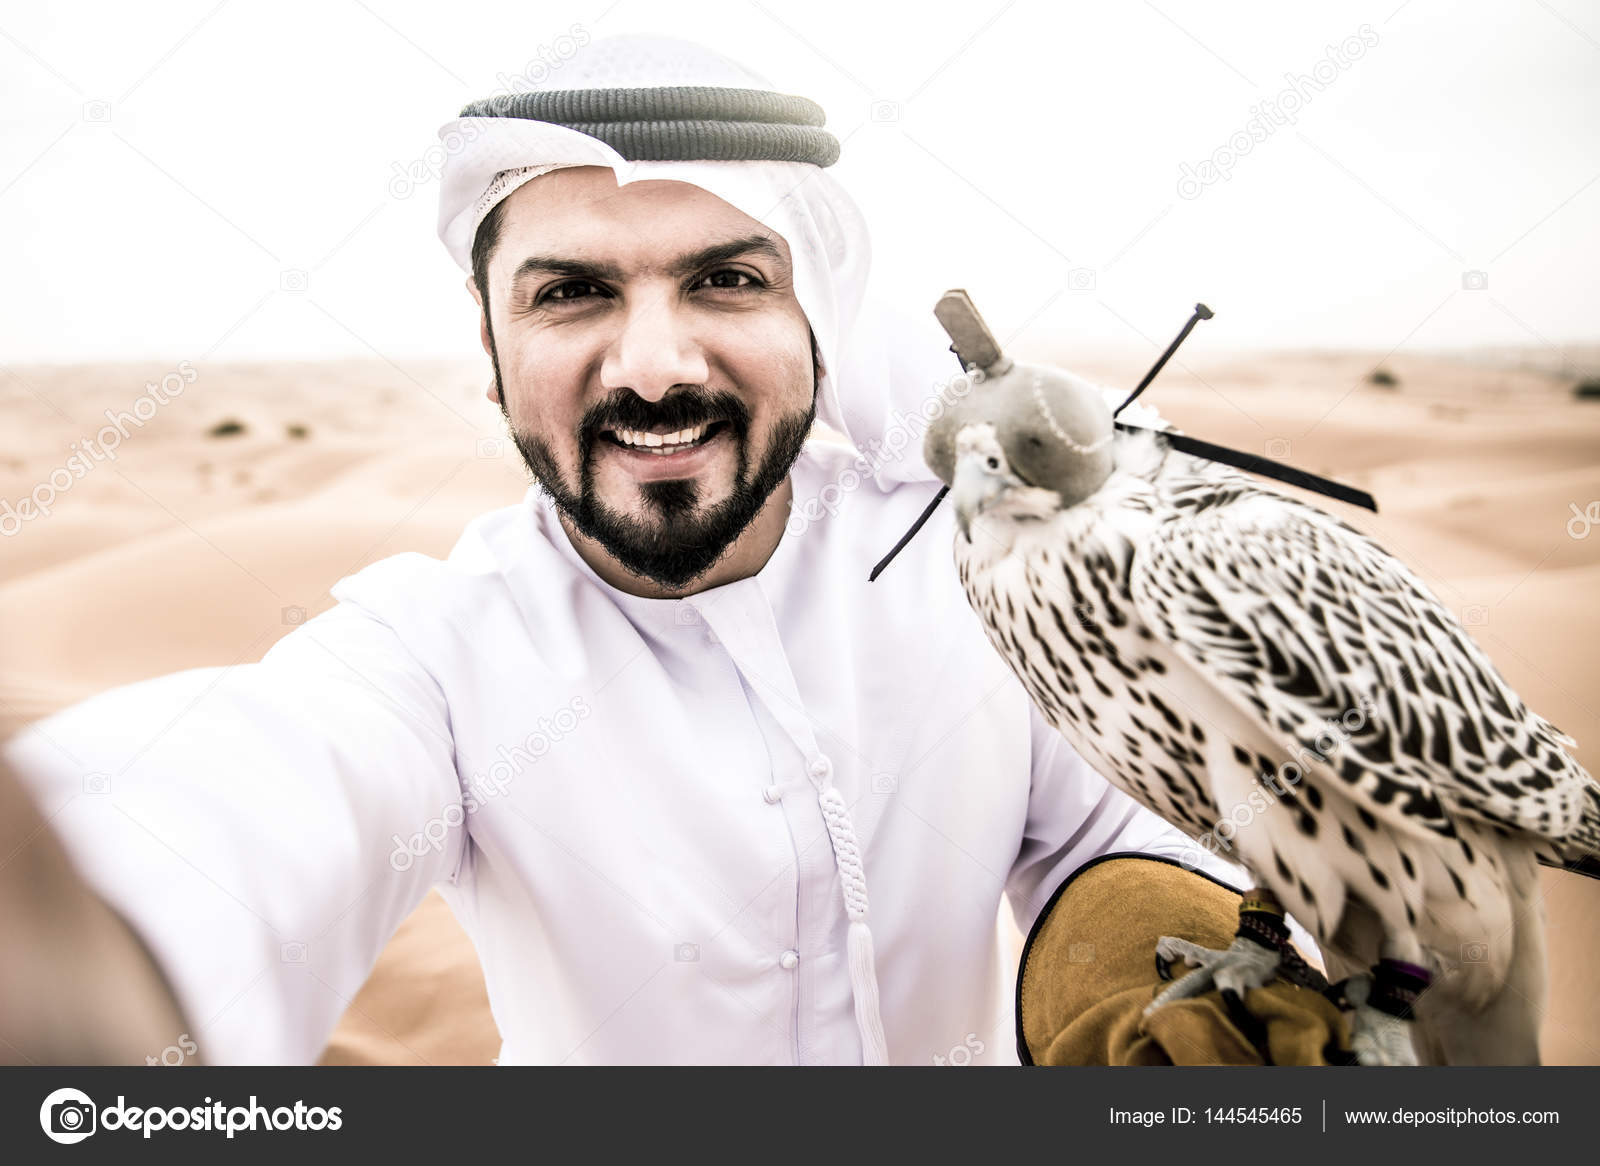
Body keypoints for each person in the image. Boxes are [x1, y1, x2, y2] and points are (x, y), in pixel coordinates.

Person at [1, 35, 1263, 1066]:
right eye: (572, 292)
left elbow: (1115, 826)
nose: (655, 364)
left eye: (725, 280)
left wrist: (1159, 956)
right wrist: (77, 952)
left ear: (817, 321)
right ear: (489, 350)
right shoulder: (435, 662)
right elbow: (246, 801)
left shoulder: (979, 576)